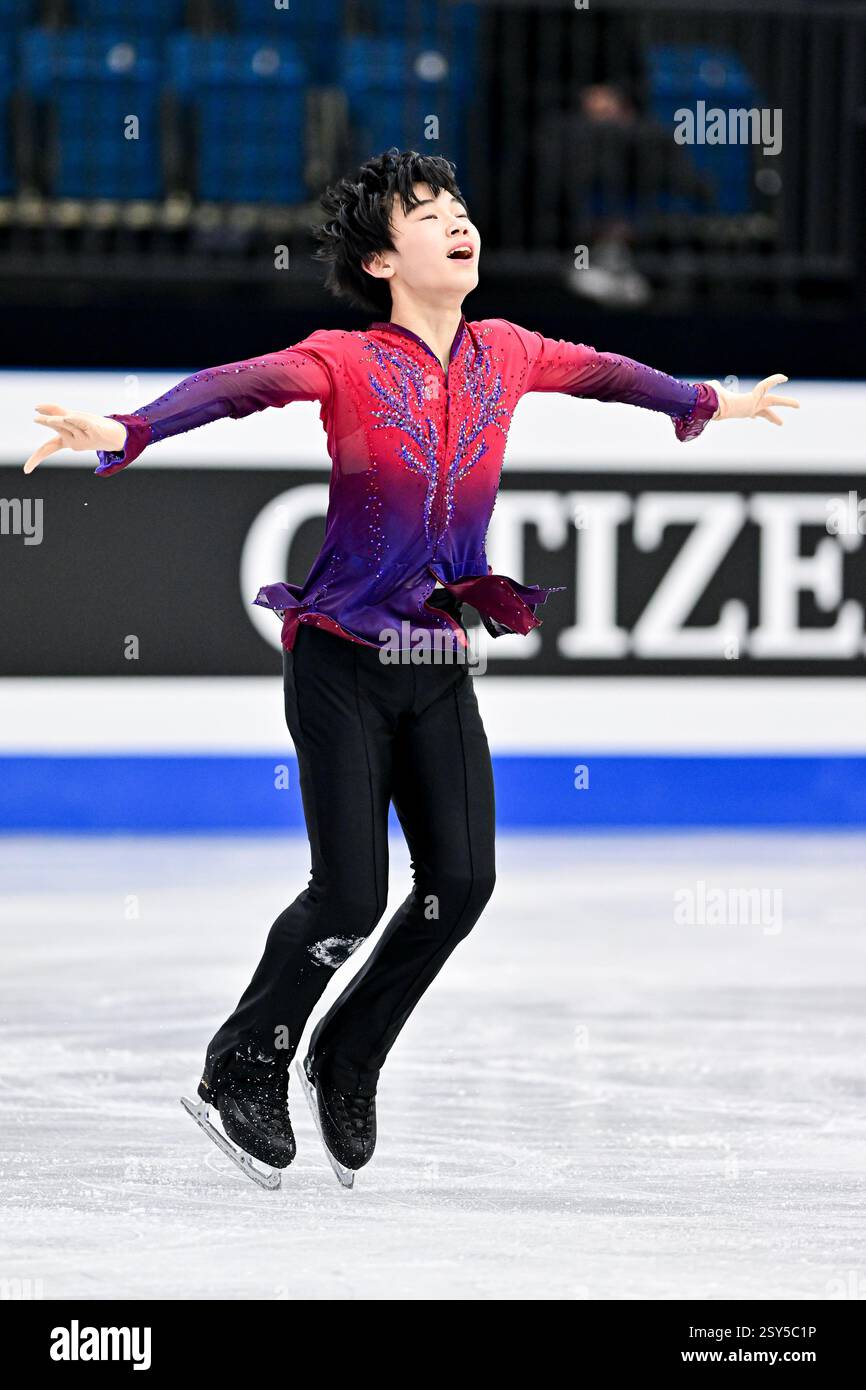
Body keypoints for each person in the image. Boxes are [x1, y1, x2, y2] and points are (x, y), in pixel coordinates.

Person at [23, 148, 798, 1180]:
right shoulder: (342, 359)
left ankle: (347, 1054)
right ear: (382, 260)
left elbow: (607, 372)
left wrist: (706, 403)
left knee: (463, 880)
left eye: (460, 207)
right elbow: (235, 388)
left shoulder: (507, 350)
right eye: (427, 213)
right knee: (347, 896)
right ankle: (242, 1064)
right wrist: (127, 426)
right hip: (340, 660)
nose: (456, 222)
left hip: (436, 655)